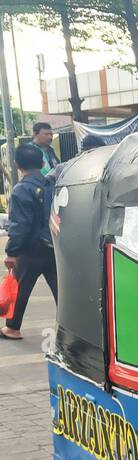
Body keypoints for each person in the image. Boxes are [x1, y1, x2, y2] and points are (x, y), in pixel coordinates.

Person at [2, 142, 57, 340]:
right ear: (42, 161)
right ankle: (76, 330)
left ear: (17, 164)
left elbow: (20, 225)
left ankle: (12, 328)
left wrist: (12, 252)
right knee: (62, 291)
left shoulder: (21, 189)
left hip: (31, 250)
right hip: (54, 246)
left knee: (20, 289)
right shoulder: (53, 185)